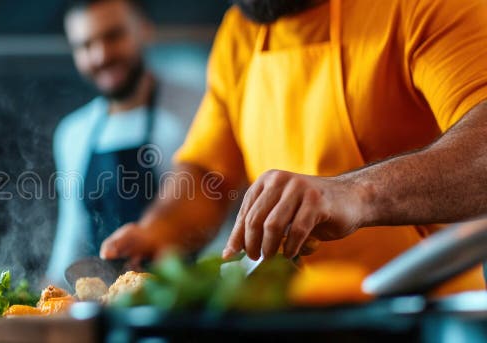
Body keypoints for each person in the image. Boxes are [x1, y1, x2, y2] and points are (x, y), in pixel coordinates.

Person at [101, 0, 487, 294]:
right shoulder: (242, 30)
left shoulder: (425, 6)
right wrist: (158, 232)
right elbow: (208, 174)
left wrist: (357, 193)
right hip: (292, 315)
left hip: (424, 317)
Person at [46, 0, 202, 285]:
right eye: (85, 45)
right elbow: (72, 237)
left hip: (188, 301)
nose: (101, 55)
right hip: (103, 308)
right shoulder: (72, 134)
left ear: (144, 30)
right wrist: (47, 299)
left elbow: (220, 219)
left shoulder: (198, 108)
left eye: (113, 36)